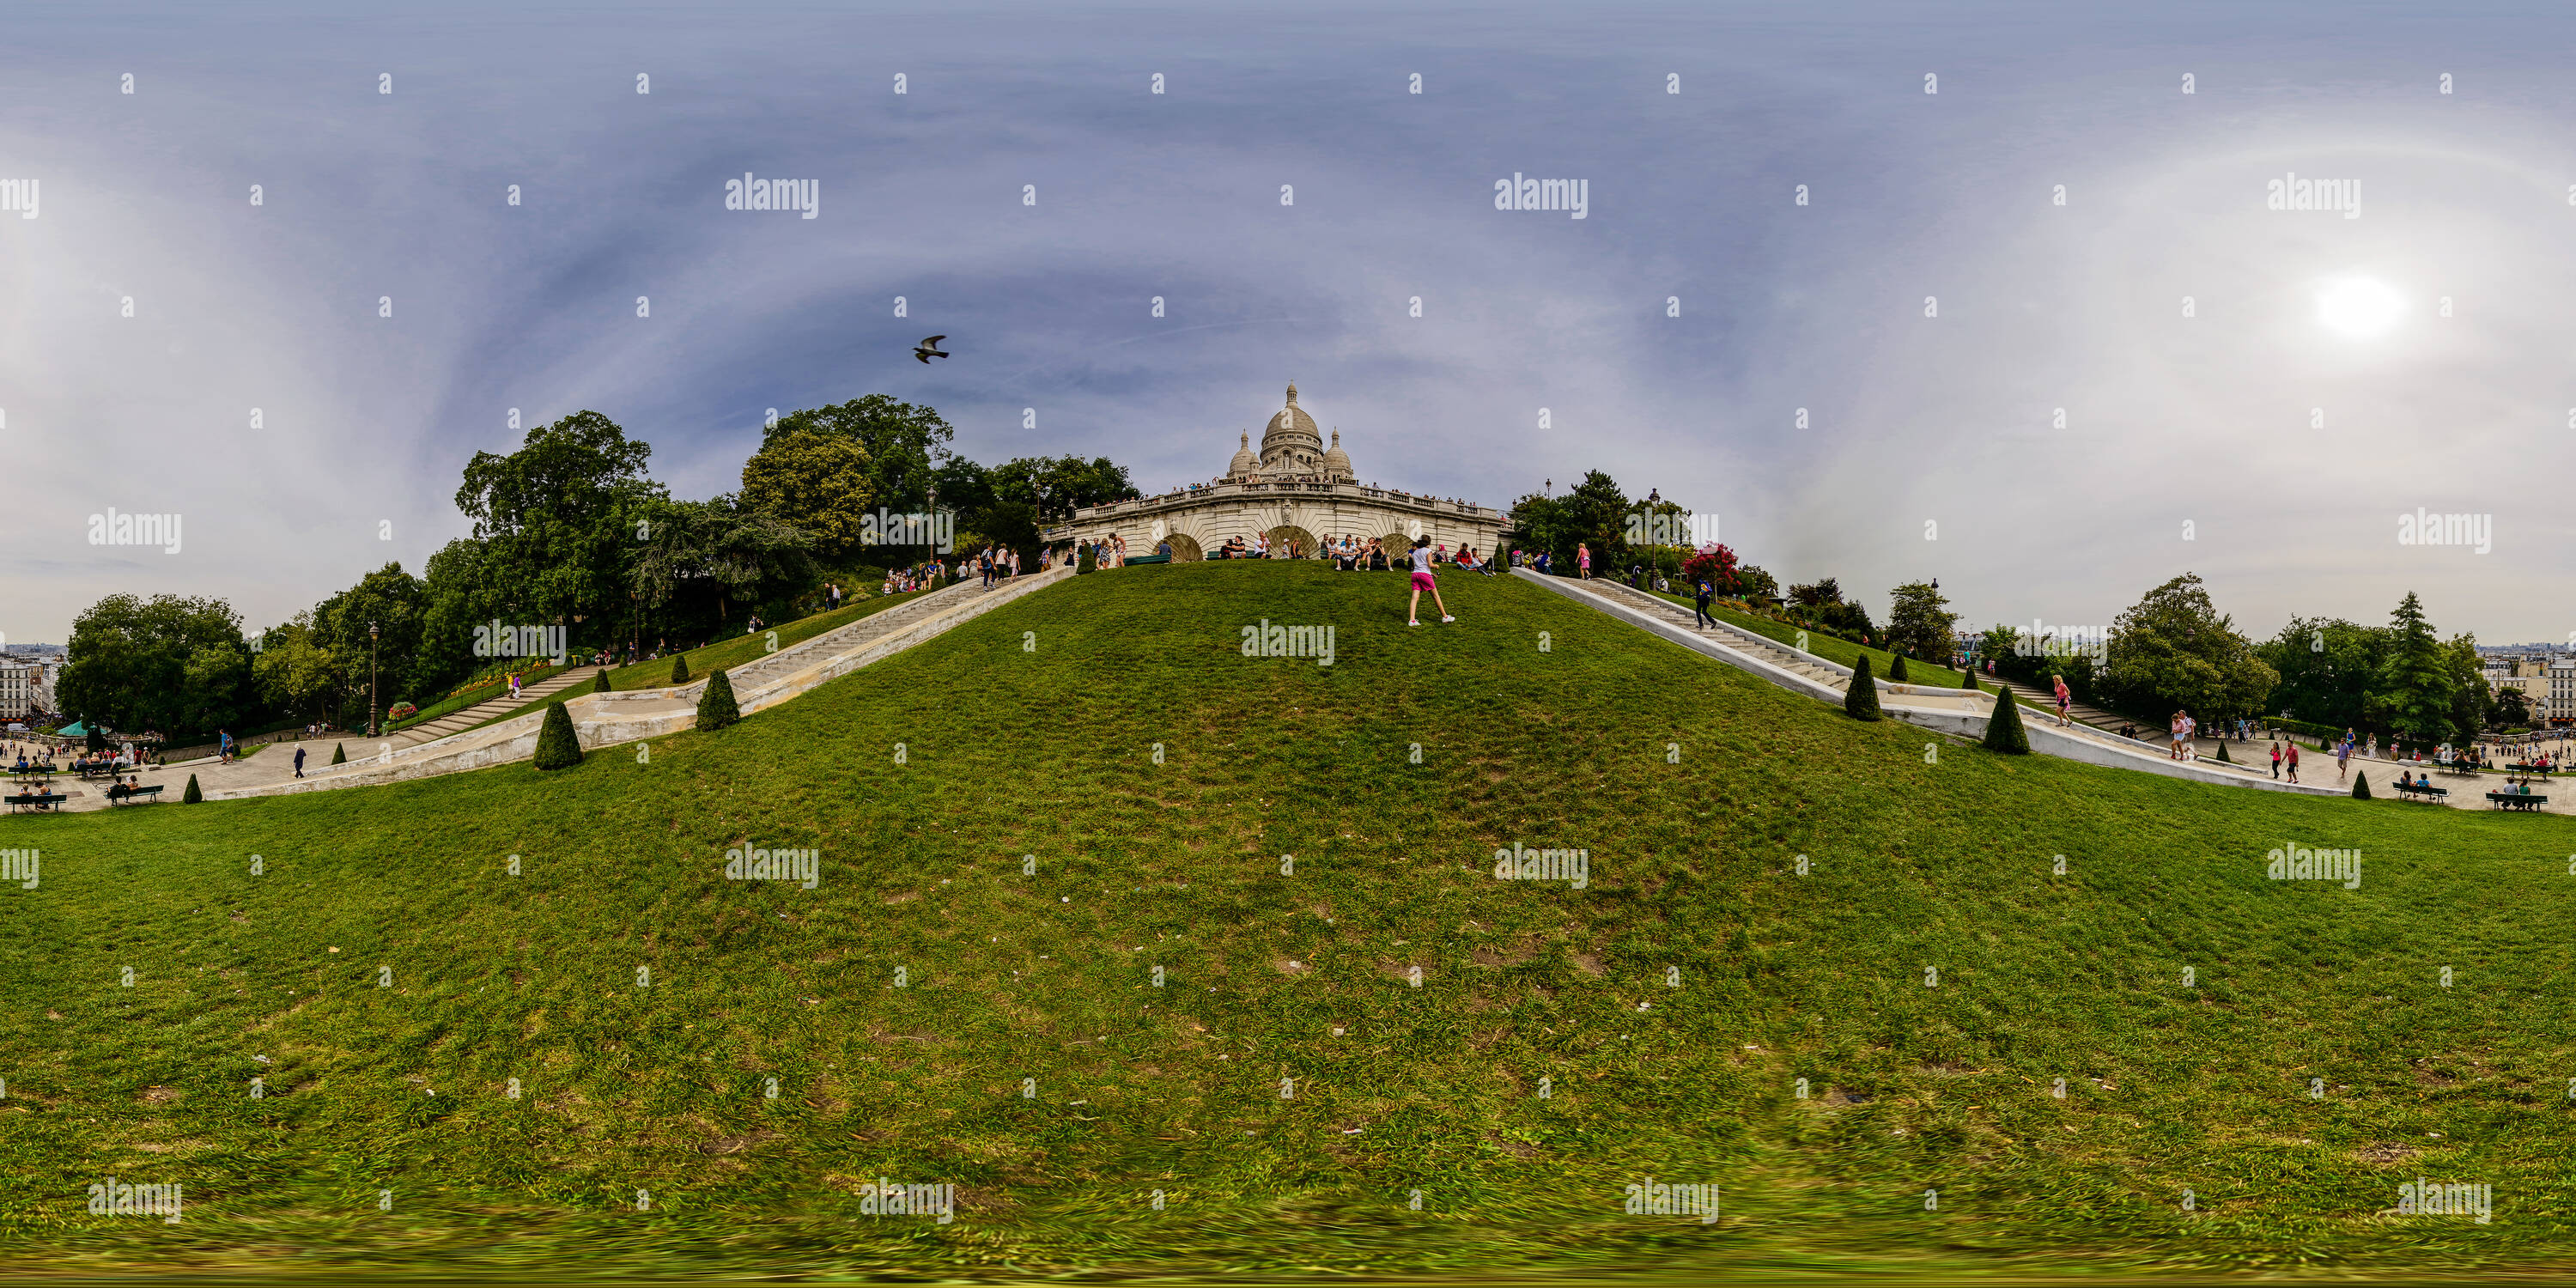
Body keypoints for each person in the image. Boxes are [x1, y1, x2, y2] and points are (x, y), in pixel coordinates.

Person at [1405, 535, 1454, 627]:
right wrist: (1436, 566)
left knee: (1414, 598)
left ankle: (1412, 620)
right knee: (1436, 596)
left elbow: (1420, 567)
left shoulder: (1415, 552)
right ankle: (1445, 617)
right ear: (1428, 543)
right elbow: (1430, 564)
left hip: (1415, 575)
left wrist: (1432, 574)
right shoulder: (1428, 551)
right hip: (1424, 575)